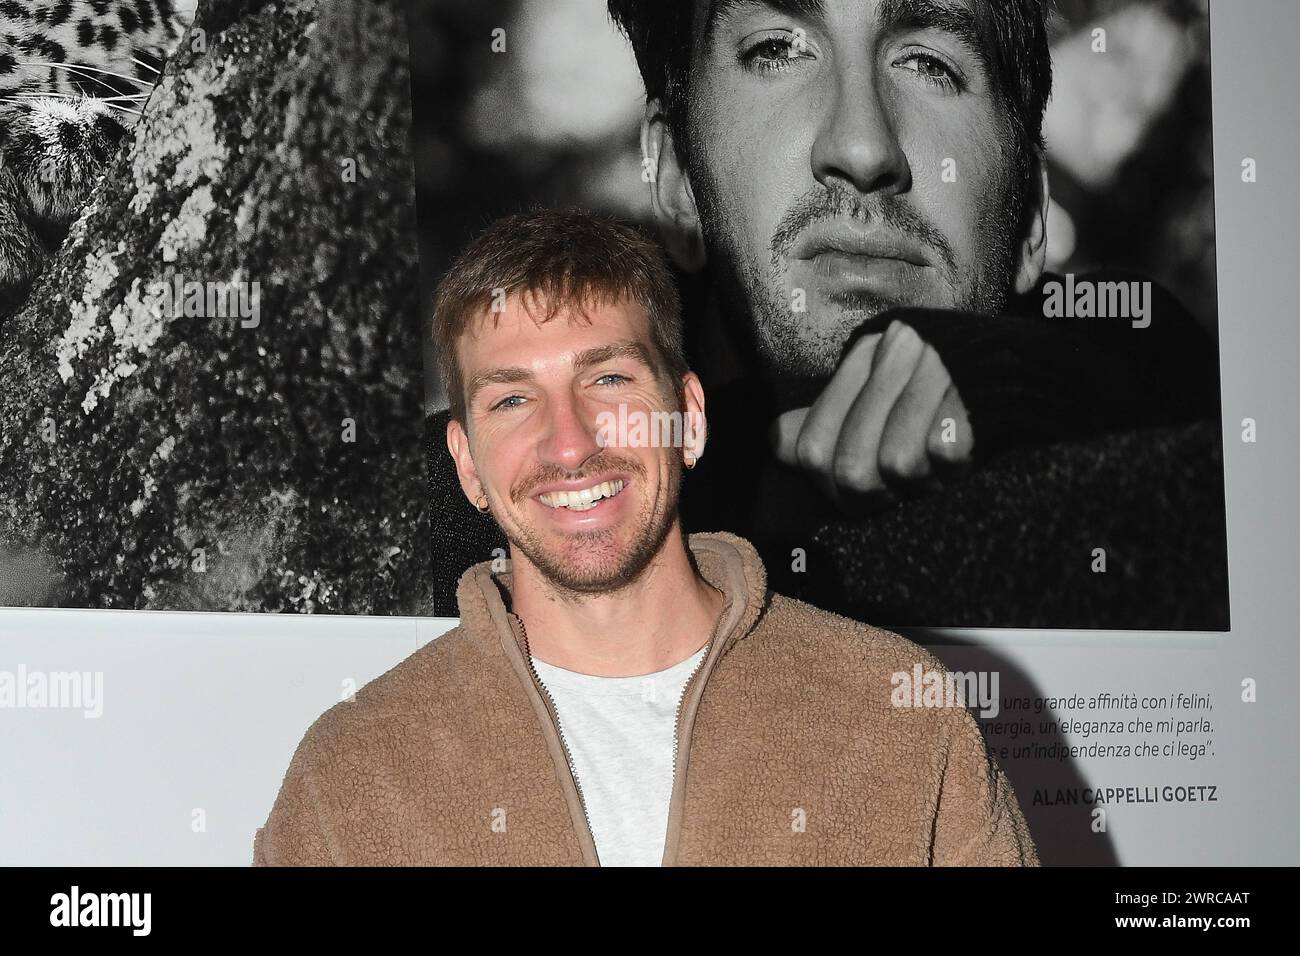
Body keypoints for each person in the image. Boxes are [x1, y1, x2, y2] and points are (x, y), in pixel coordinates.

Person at [254, 209, 1039, 866]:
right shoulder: (354, 770)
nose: (570, 443)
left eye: (608, 379)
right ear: (466, 466)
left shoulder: (897, 714)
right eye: (511, 401)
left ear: (688, 418)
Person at [426, 0, 1228, 629]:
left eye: (930, 62)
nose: (862, 146)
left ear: (1028, 221)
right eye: (777, 50)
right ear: (672, 172)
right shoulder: (456, 504)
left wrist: (1044, 377)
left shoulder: (1150, 398)